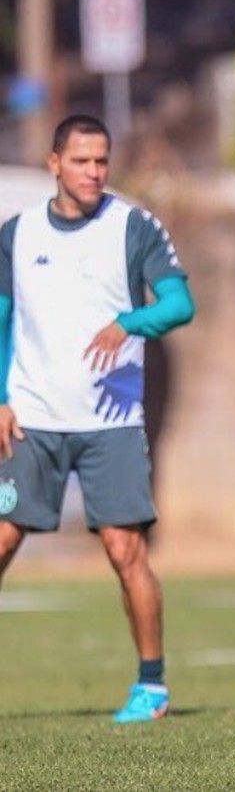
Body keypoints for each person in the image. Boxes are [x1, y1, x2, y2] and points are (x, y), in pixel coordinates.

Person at [0, 115, 196, 724]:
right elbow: (2, 318)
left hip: (110, 423)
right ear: (53, 162)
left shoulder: (133, 227)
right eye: (81, 160)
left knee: (124, 549)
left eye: (102, 161)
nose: (93, 172)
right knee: (3, 539)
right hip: (32, 418)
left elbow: (179, 304)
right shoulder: (17, 233)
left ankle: (152, 687)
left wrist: (128, 323)